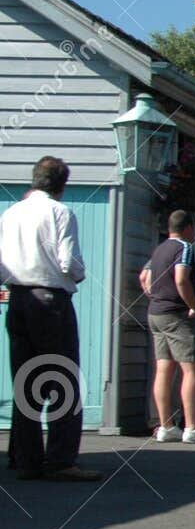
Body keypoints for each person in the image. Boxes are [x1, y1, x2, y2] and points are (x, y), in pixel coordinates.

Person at [0, 156, 98, 480]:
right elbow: (69, 263)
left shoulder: (11, 213)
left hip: (18, 298)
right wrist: (79, 275)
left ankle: (26, 459)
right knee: (62, 381)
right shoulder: (60, 213)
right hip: (50, 301)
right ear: (61, 185)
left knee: (25, 382)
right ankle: (60, 460)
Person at [139, 209, 195, 444]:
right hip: (176, 314)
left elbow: (144, 277)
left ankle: (166, 426)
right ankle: (192, 427)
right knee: (192, 369)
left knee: (164, 368)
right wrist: (192, 305)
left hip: (155, 313)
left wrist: (155, 296)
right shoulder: (184, 247)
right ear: (188, 228)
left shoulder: (159, 249)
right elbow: (181, 278)